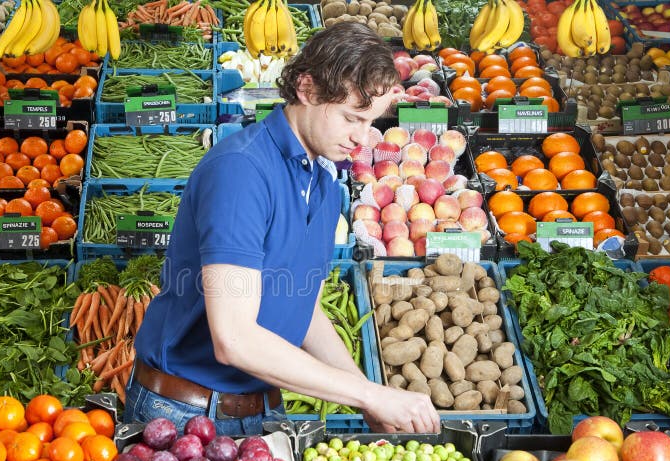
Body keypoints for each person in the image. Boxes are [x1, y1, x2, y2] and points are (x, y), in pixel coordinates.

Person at [125, 21, 441, 435]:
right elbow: (234, 339)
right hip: (186, 413)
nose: (362, 139)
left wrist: (369, 396)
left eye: (371, 123)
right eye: (351, 118)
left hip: (260, 408)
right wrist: (368, 395)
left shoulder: (323, 179)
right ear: (307, 89)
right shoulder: (241, 172)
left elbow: (302, 310)